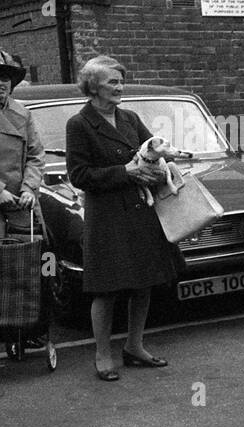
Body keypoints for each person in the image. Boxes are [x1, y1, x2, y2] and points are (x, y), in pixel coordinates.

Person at [66, 55, 182, 381]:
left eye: (121, 81)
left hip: (139, 211)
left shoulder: (129, 118)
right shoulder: (79, 124)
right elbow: (79, 175)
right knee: (106, 289)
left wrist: (165, 166)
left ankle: (134, 346)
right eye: (112, 82)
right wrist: (126, 172)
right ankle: (103, 355)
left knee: (143, 283)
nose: (119, 87)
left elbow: (153, 148)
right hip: (107, 217)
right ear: (93, 86)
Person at [0, 49, 43, 236]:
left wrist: (28, 189)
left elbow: (36, 156)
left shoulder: (22, 114)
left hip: (18, 205)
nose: (1, 84)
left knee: (25, 260)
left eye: (5, 78)